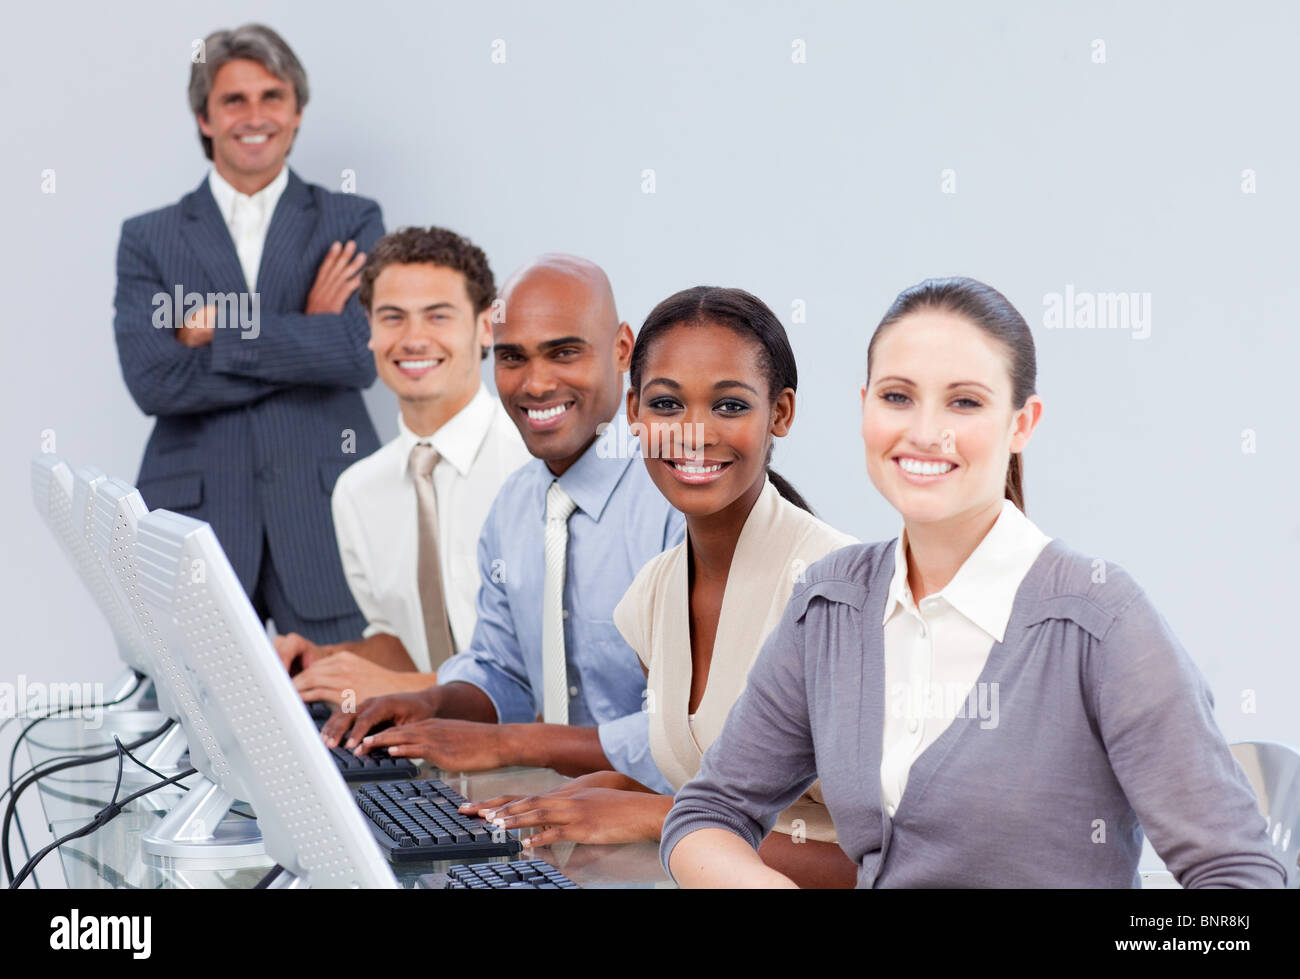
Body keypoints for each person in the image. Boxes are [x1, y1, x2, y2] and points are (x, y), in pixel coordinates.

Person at [661, 276, 1287, 888]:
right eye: (898, 396)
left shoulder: (1099, 622)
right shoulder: (830, 604)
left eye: (965, 401)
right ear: (865, 408)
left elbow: (1241, 880)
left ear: (1022, 423)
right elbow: (708, 813)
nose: (925, 431)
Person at [456, 287, 862, 887]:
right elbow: (710, 779)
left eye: (728, 406)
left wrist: (659, 817)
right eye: (667, 405)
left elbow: (881, 863)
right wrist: (604, 793)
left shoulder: (838, 594)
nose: (692, 433)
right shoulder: (652, 595)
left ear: (780, 413)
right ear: (634, 415)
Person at [320, 256, 685, 792]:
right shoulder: (515, 504)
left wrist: (509, 744)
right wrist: (427, 705)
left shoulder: (677, 499)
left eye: (564, 352)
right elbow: (502, 671)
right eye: (513, 357)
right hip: (560, 815)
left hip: (678, 825)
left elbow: (695, 727)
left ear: (622, 350)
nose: (535, 383)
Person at [112, 23, 383, 643]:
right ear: (204, 118)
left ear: (297, 112)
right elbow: (156, 382)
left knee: (344, 727)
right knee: (188, 724)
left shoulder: (352, 219)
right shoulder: (149, 238)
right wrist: (306, 331)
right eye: (234, 99)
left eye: (272, 96)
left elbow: (356, 354)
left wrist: (219, 332)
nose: (254, 115)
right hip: (194, 515)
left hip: (324, 514)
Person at [277, 227, 531, 705]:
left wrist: (401, 689)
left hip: (538, 759)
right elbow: (402, 643)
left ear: (485, 328)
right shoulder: (357, 490)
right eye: (392, 318)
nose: (414, 339)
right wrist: (325, 662)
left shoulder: (531, 464)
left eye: (438, 316)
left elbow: (549, 672)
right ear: (369, 331)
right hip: (422, 760)